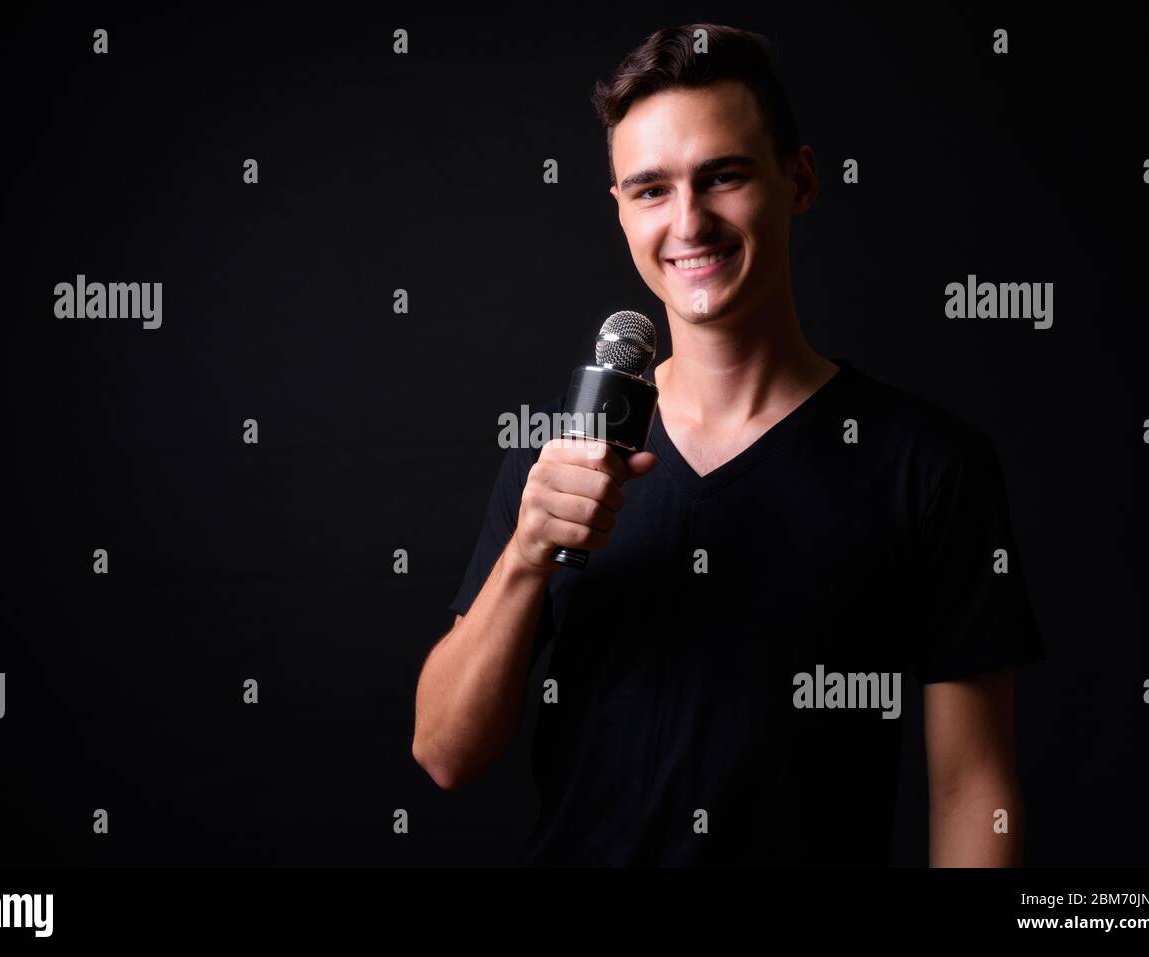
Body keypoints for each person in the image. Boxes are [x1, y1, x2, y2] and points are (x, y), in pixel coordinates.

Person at [412, 23, 1044, 866]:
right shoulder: (558, 457)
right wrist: (528, 554)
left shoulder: (929, 465)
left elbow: (973, 789)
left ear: (802, 179)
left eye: (724, 176)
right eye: (650, 190)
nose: (689, 222)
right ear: (620, 212)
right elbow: (445, 752)